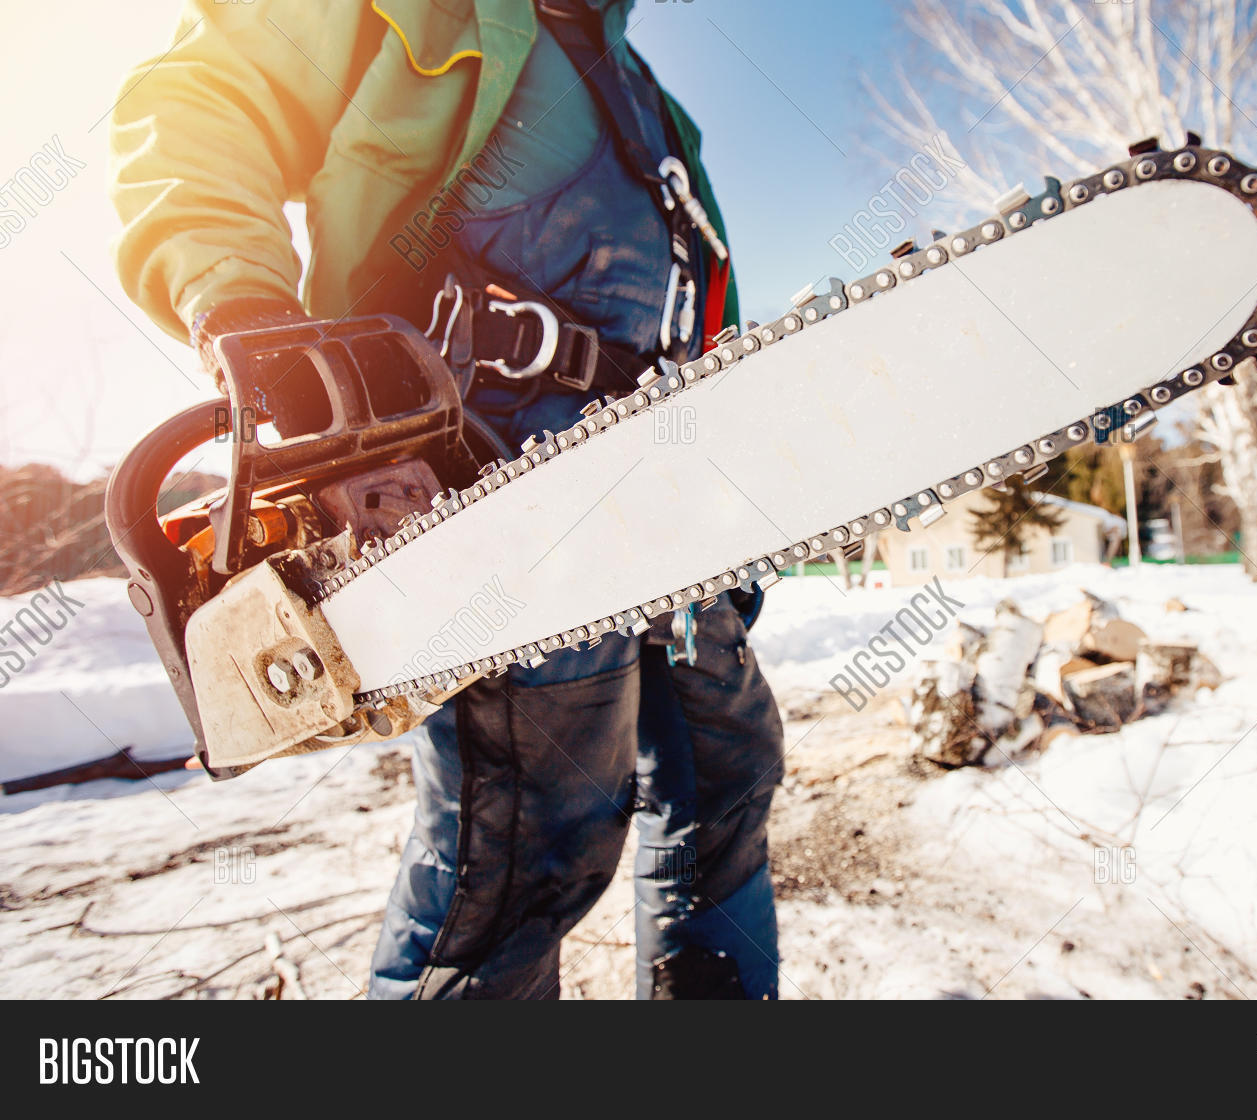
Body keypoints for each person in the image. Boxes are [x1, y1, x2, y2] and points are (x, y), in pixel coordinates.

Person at [109, 0, 785, 999]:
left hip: (668, 502)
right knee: (523, 855)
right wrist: (249, 308)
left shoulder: (654, 103)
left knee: (729, 774)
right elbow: (203, 99)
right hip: (491, 490)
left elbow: (707, 305)